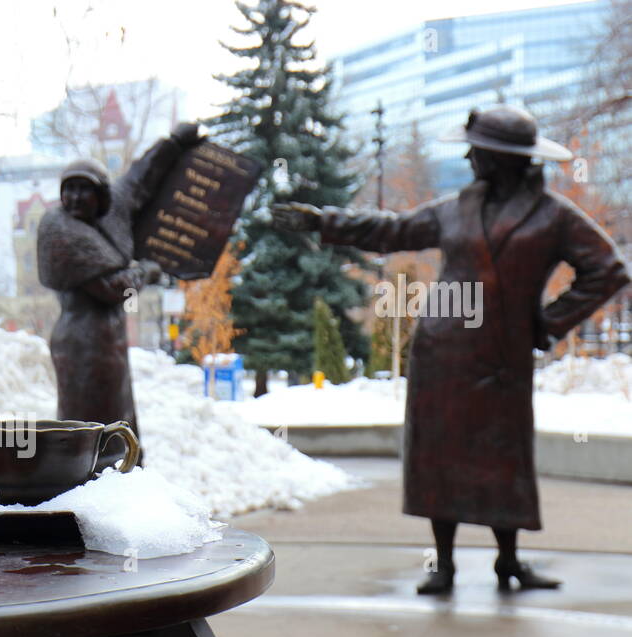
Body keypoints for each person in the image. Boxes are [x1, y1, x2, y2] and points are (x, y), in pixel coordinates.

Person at [273, 105, 629, 594]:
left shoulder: (553, 216)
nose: (468, 157)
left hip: (501, 358)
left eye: (477, 150)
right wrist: (323, 221)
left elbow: (608, 271)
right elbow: (393, 230)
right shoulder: (458, 207)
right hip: (441, 354)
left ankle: (509, 560)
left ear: (503, 158)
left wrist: (546, 324)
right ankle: (443, 563)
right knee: (439, 456)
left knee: (503, 457)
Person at [38, 122, 204, 469]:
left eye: (85, 190)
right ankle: (89, 478)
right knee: (88, 420)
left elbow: (142, 176)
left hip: (109, 339)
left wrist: (174, 142)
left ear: (101, 195)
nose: (76, 198)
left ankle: (123, 472)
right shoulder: (61, 231)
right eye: (69, 190)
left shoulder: (113, 212)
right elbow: (117, 290)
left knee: (117, 413)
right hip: (81, 341)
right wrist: (147, 271)